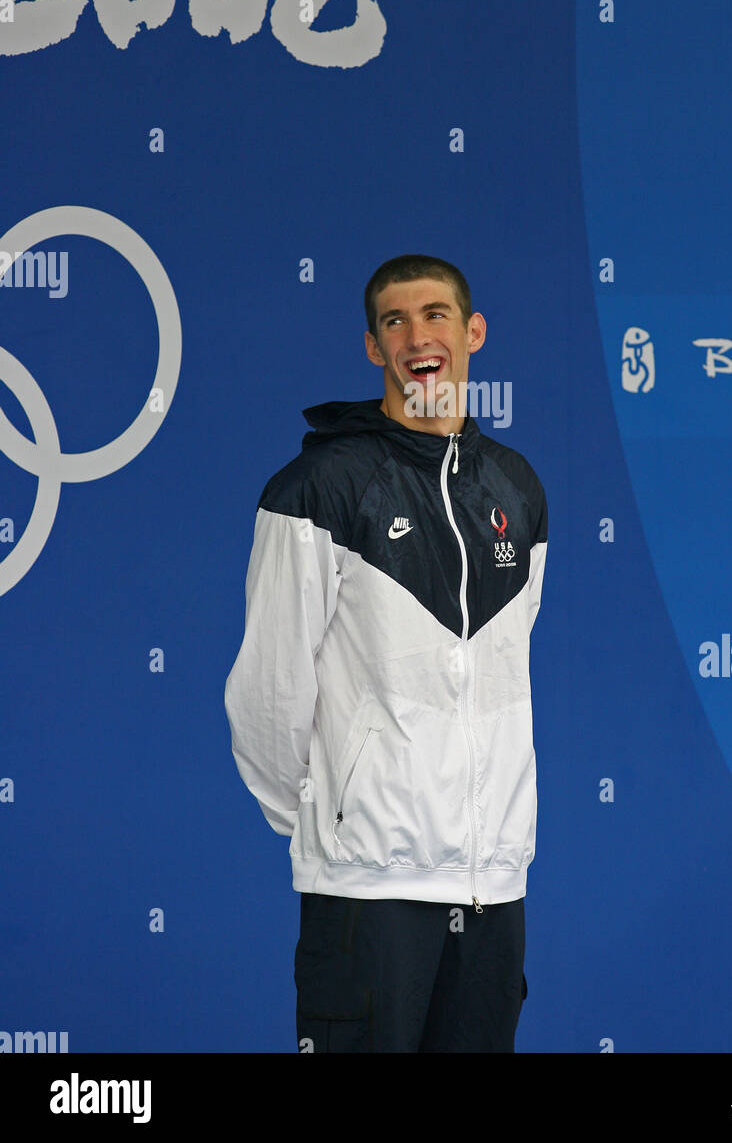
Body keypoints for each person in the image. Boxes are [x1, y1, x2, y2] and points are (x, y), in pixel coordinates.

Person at [224, 253, 548, 1052]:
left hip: (492, 885)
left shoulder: (517, 488)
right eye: (394, 321)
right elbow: (269, 689)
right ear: (374, 348)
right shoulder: (318, 487)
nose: (416, 336)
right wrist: (328, 823)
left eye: (435, 314)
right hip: (368, 887)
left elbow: (502, 677)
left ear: (472, 332)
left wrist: (491, 841)